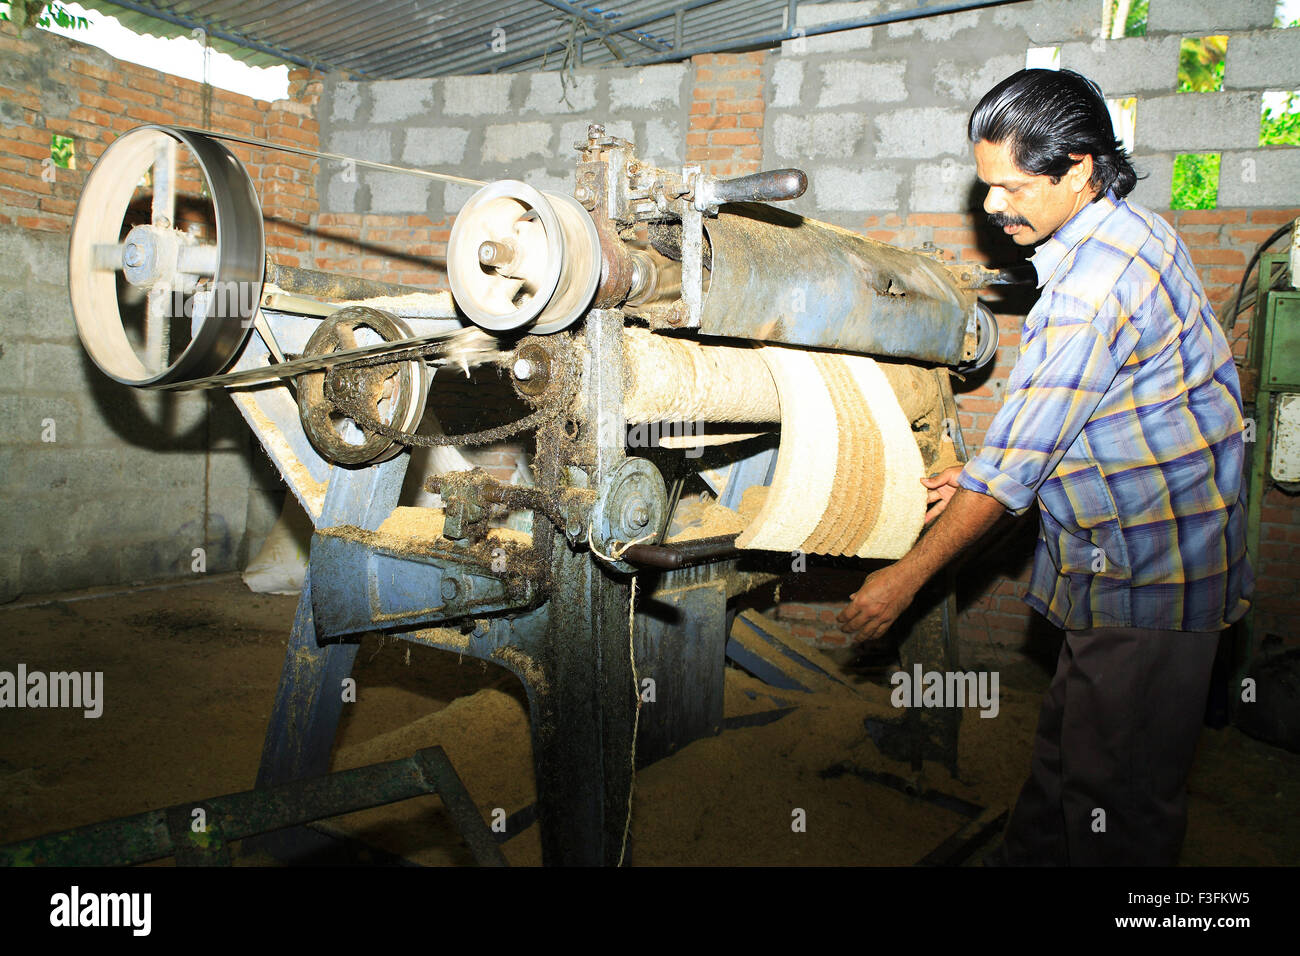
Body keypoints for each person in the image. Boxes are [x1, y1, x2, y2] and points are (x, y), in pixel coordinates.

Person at [836, 69, 1253, 865]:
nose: (993, 206)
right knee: (1068, 752)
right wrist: (991, 468)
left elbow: (1011, 477)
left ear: (1082, 169)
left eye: (1014, 187)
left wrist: (904, 580)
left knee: (1120, 800)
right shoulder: (1138, 230)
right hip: (1148, 545)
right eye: (986, 183)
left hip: (1152, 570)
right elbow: (1076, 415)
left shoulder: (1090, 293)